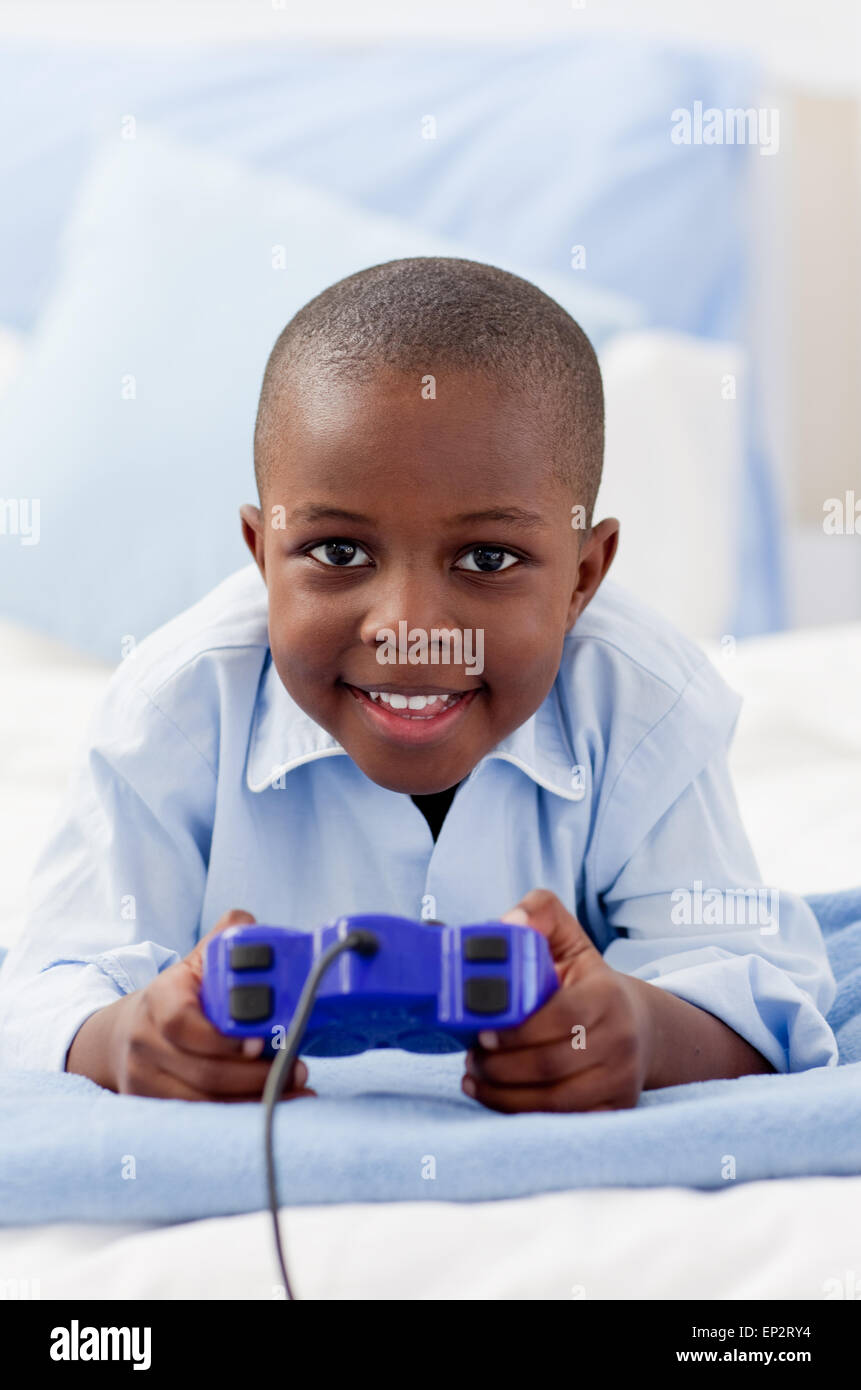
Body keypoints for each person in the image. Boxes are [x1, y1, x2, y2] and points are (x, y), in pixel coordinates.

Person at [0, 257, 838, 1110]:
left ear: (583, 578)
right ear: (260, 557)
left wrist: (636, 1030)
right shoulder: (170, 712)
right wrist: (128, 1039)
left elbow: (758, 987)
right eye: (337, 553)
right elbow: (45, 993)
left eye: (487, 559)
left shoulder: (644, 705)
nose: (407, 629)